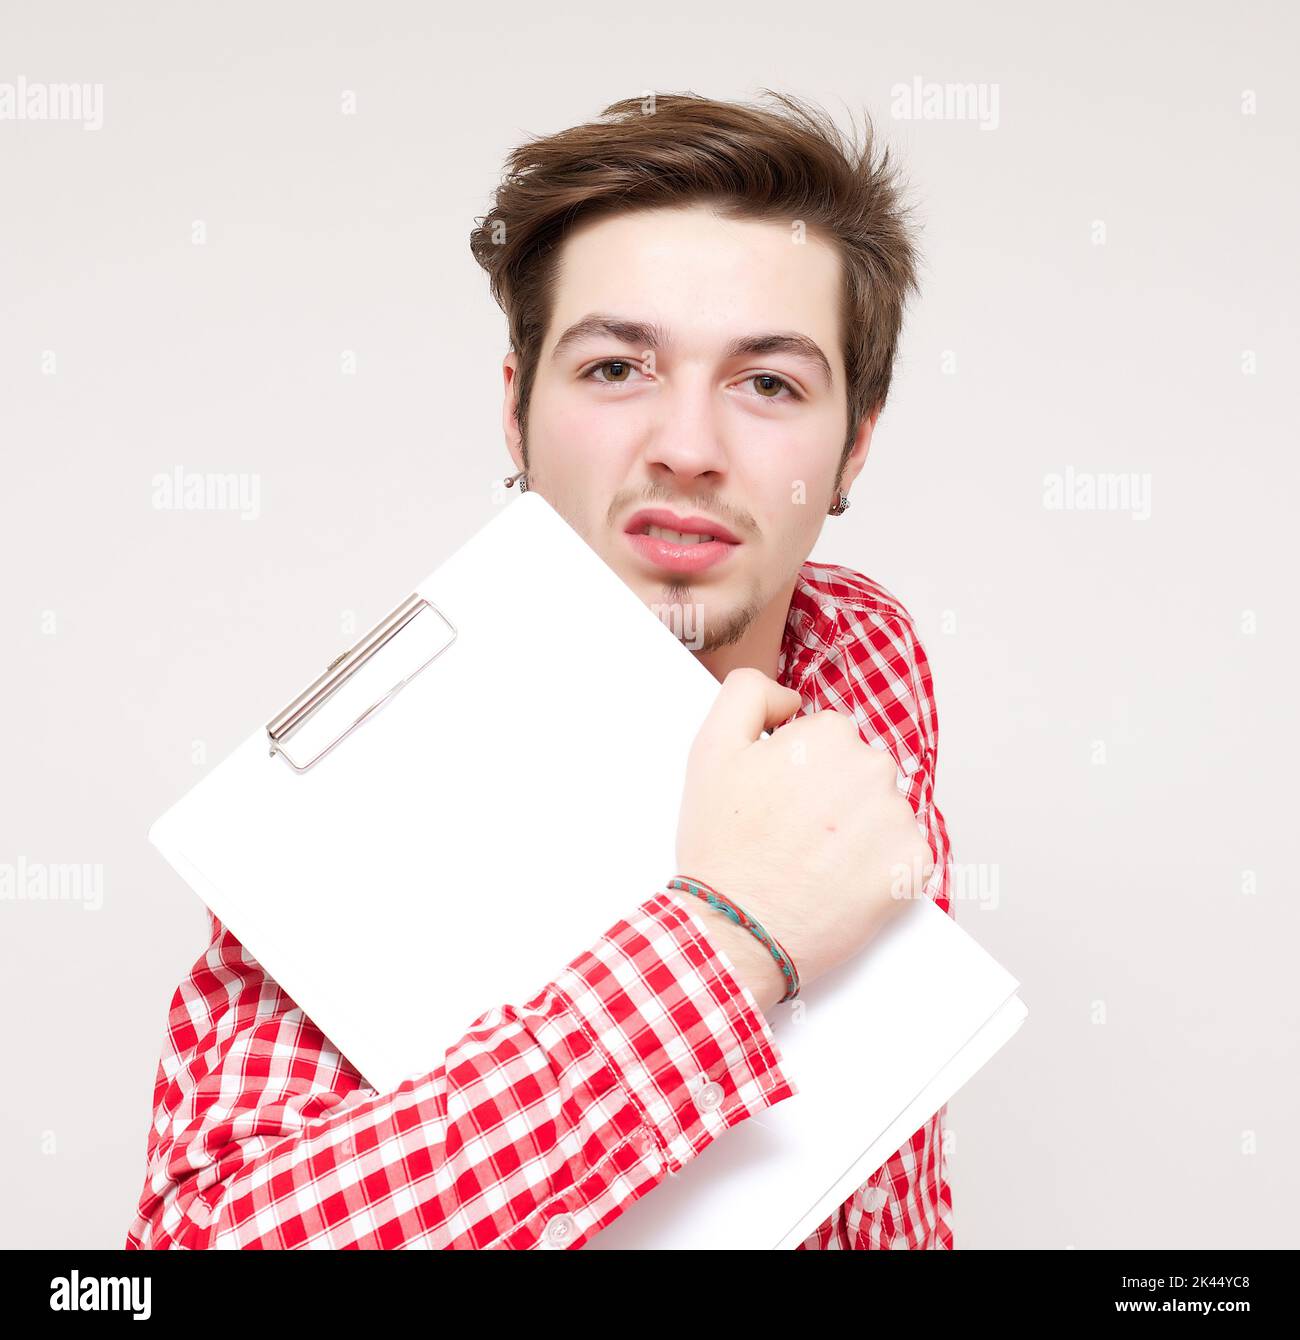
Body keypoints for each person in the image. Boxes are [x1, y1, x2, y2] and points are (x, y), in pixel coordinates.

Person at [126, 90, 953, 1250]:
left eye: (767, 382)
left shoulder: (867, 651)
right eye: (616, 367)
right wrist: (728, 941)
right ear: (516, 413)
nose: (687, 446)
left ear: (852, 442)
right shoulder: (353, 792)